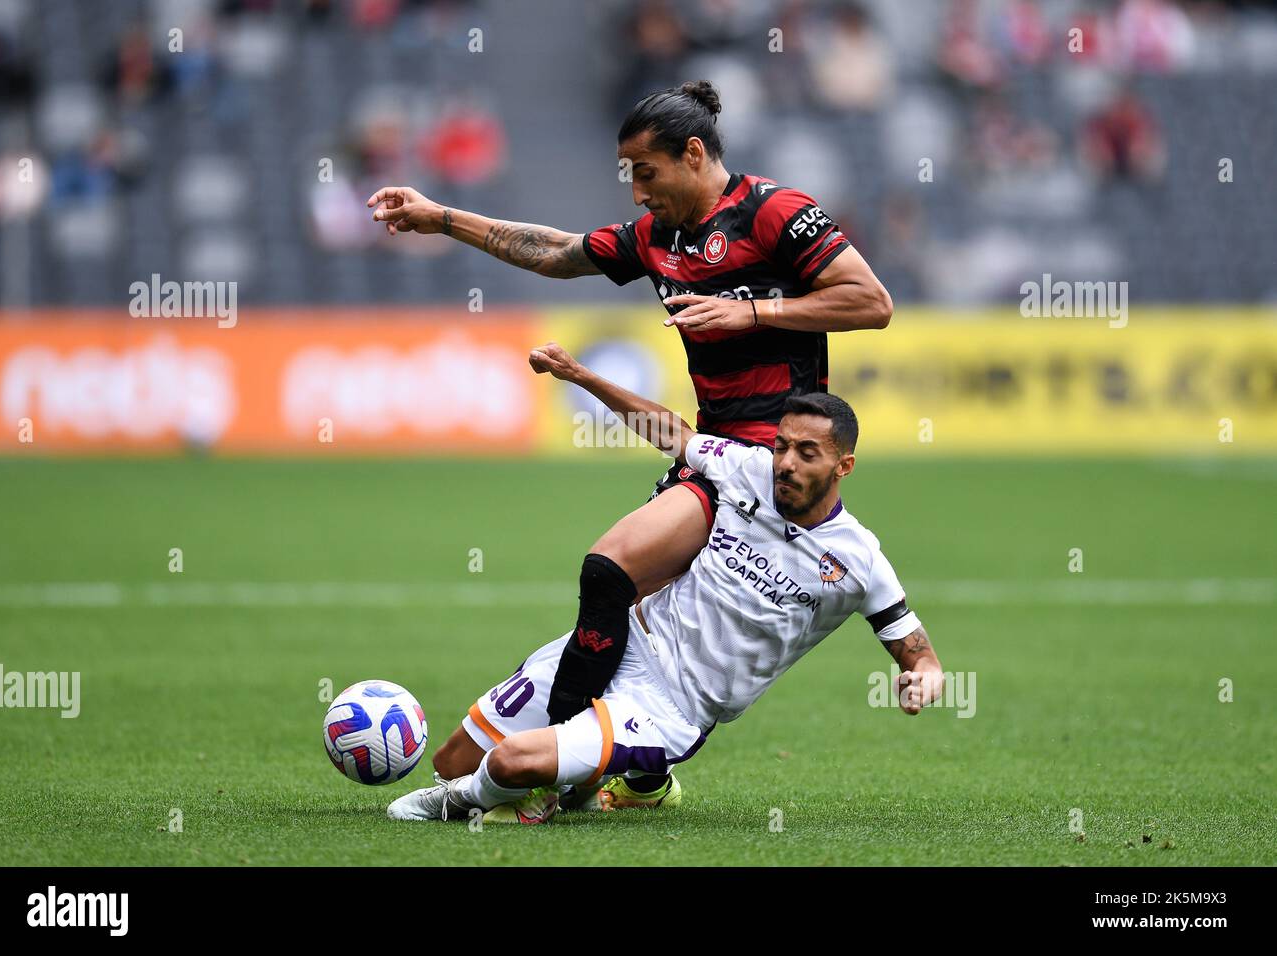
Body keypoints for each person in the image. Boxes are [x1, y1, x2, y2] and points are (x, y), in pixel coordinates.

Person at [368, 80, 893, 802]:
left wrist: (752, 315)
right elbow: (557, 252)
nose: (638, 192)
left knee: (611, 571)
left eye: (647, 172)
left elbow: (871, 302)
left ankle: (555, 769)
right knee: (639, 617)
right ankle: (641, 775)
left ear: (695, 153)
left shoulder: (777, 213)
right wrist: (441, 217)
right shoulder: (657, 238)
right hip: (709, 454)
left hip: (771, 467)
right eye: (629, 175)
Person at [387, 343, 943, 824]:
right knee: (452, 760)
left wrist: (923, 683)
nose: (785, 464)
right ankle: (608, 781)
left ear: (843, 466)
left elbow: (921, 657)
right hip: (624, 642)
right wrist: (583, 378)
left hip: (672, 707)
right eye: (782, 445)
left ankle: (468, 802)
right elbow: (672, 434)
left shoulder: (859, 560)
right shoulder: (745, 467)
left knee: (508, 765)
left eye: (807, 453)